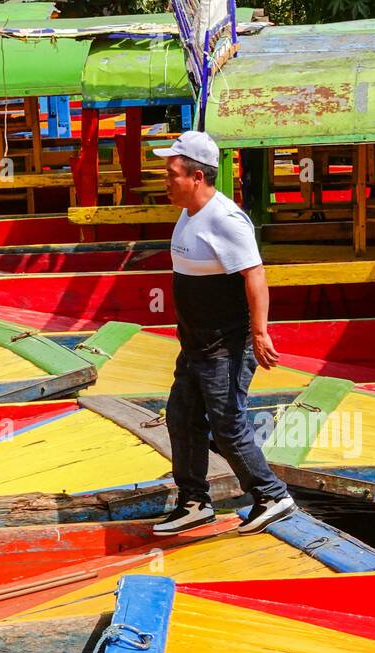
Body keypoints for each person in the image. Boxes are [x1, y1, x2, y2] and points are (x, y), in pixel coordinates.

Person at [150, 130, 297, 536]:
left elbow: (255, 273)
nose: (165, 180)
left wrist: (261, 332)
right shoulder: (188, 214)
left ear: (197, 177)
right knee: (181, 418)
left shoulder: (225, 219)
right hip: (194, 345)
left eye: (172, 173)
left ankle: (272, 496)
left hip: (225, 346)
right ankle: (194, 501)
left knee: (228, 423)